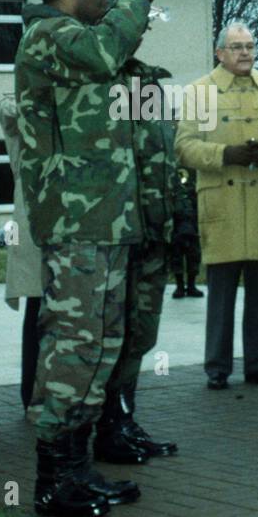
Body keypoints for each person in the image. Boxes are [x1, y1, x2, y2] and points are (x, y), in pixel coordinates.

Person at [15, 0, 165, 517]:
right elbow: (107, 51)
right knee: (72, 346)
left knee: (101, 343)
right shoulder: (49, 35)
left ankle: (79, 467)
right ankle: (53, 479)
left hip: (107, 219)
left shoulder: (79, 38)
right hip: (77, 222)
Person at [175, 21, 258, 391]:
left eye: (249, 46)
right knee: (221, 295)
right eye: (236, 47)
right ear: (219, 53)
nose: (244, 53)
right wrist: (225, 153)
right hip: (223, 203)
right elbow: (184, 147)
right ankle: (217, 367)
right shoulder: (200, 92)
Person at [95, 55, 180, 463]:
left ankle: (124, 420)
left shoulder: (150, 86)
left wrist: (180, 220)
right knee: (116, 335)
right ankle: (108, 427)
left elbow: (167, 165)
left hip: (155, 237)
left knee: (142, 334)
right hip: (123, 238)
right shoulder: (101, 82)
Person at [0, 94, 43, 408]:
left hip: (76, 229)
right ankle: (34, 397)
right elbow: (7, 111)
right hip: (36, 229)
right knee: (39, 311)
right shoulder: (18, 104)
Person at [170, 167, 203, 299]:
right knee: (176, 258)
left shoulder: (193, 189)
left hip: (193, 229)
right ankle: (179, 286)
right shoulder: (172, 191)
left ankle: (191, 286)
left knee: (194, 257)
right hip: (177, 229)